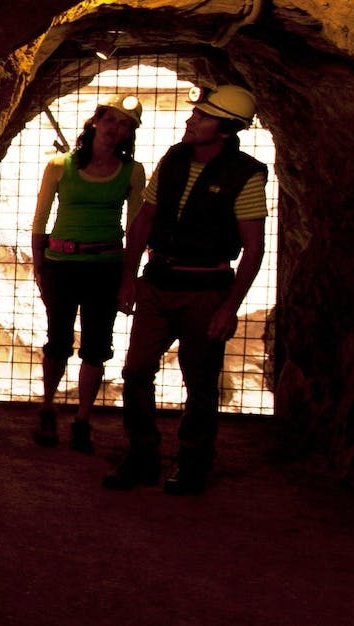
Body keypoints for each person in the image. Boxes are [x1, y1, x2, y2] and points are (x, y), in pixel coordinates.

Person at [104, 84, 268, 496]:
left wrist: (229, 308)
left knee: (200, 379)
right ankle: (142, 455)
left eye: (202, 117)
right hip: (160, 282)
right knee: (136, 370)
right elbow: (145, 218)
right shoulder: (175, 159)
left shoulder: (246, 174)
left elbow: (253, 247)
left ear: (227, 129)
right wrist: (129, 276)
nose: (191, 120)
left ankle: (193, 461)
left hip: (206, 289)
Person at [28, 98, 145, 452]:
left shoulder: (132, 172)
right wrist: (39, 267)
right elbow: (40, 221)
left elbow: (136, 228)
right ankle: (47, 408)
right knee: (58, 340)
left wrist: (129, 278)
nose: (115, 128)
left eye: (125, 124)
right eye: (110, 119)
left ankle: (82, 419)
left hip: (104, 266)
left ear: (131, 133)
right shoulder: (59, 166)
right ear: (95, 122)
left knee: (96, 345)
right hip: (62, 264)